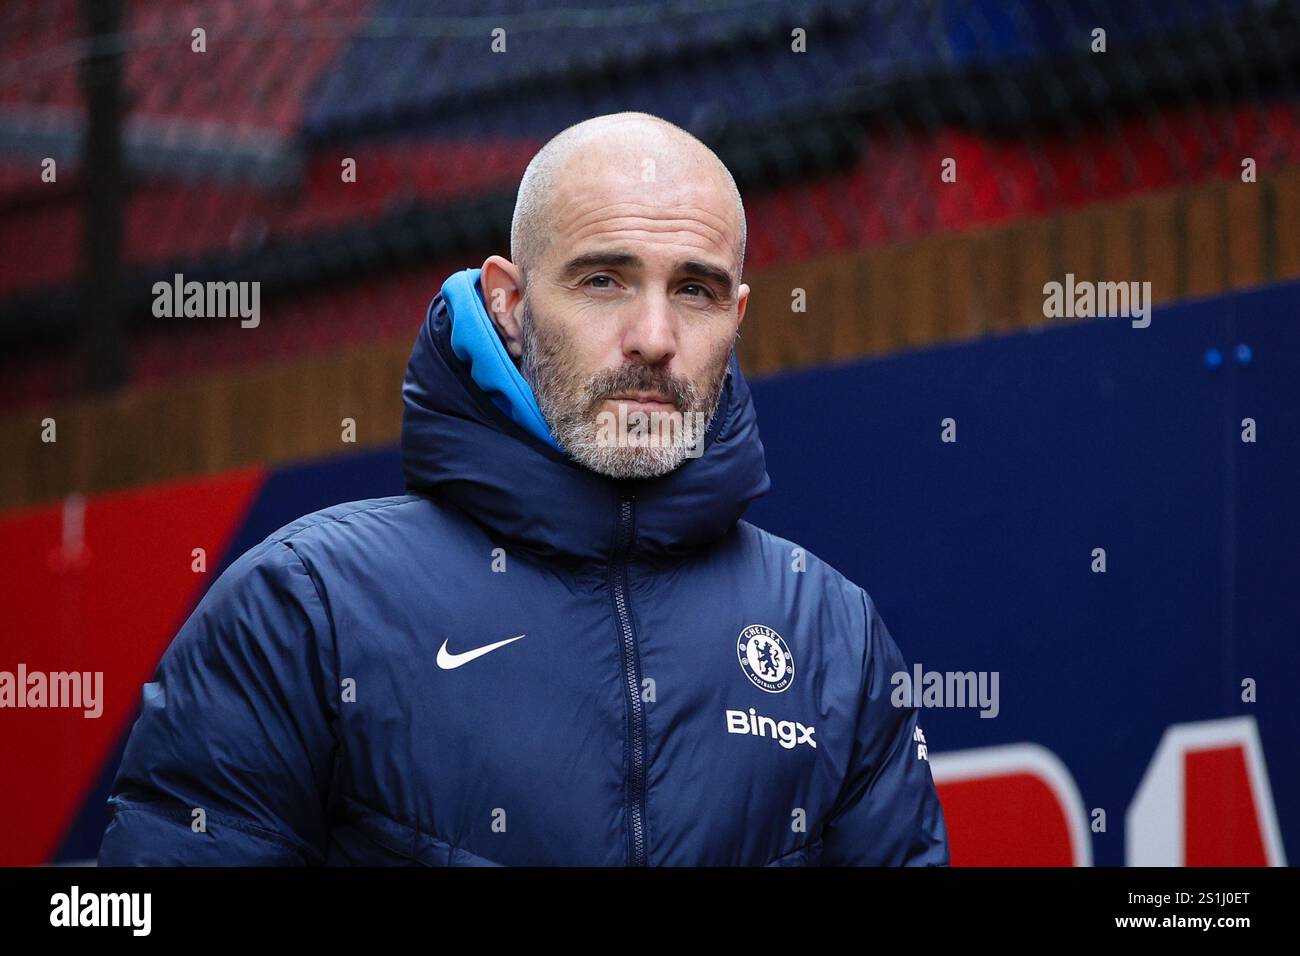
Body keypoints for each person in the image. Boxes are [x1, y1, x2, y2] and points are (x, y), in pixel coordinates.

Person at [98, 112, 949, 866]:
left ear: (738, 317)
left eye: (695, 290)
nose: (653, 338)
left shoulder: (836, 636)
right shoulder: (306, 607)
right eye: (603, 279)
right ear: (508, 303)